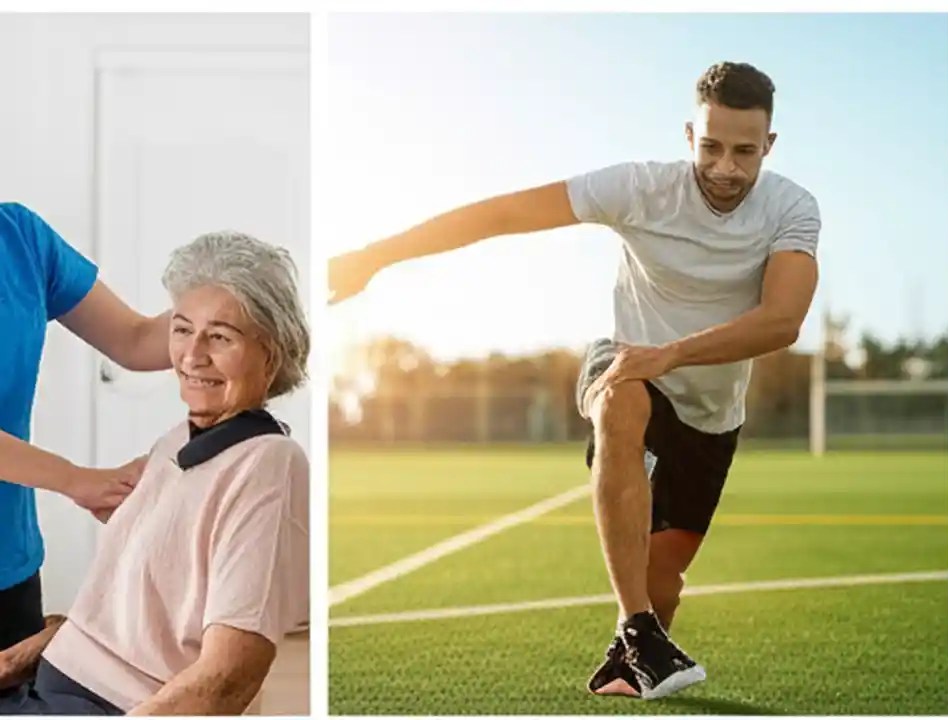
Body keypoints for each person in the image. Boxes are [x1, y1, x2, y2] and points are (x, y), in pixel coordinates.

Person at [329, 61, 819, 699]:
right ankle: (639, 627)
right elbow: (504, 214)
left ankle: (631, 648)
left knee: (663, 579)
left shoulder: (791, 208)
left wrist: (669, 354)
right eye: (712, 147)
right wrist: (375, 256)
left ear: (770, 146)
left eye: (745, 151)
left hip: (710, 411)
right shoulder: (639, 189)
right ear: (689, 137)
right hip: (627, 366)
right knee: (620, 394)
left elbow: (782, 322)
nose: (726, 167)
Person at [0, 231, 310, 715]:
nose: (192, 355)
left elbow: (225, 680)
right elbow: (132, 618)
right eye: (182, 329)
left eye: (221, 336)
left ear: (270, 354)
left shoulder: (267, 465)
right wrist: (37, 649)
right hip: (45, 685)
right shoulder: (176, 443)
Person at [0, 203, 172, 654]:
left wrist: (238, 308)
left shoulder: (19, 236)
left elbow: (135, 338)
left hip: (11, 564)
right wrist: (78, 480)